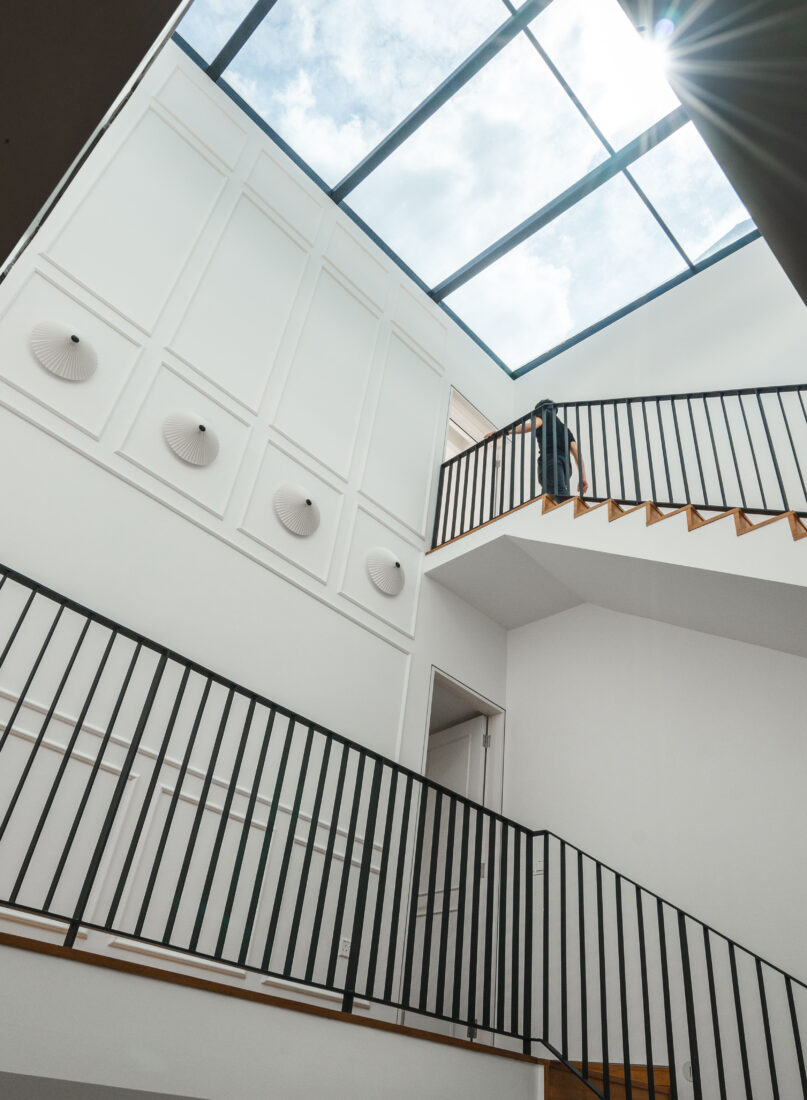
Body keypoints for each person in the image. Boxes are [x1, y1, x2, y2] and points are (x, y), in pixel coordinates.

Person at [487, 399, 588, 499]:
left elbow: (531, 425)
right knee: (551, 494)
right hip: (566, 467)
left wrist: (504, 432)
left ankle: (564, 507)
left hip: (552, 462)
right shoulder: (565, 429)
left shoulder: (543, 413)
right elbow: (576, 451)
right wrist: (583, 477)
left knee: (558, 494)